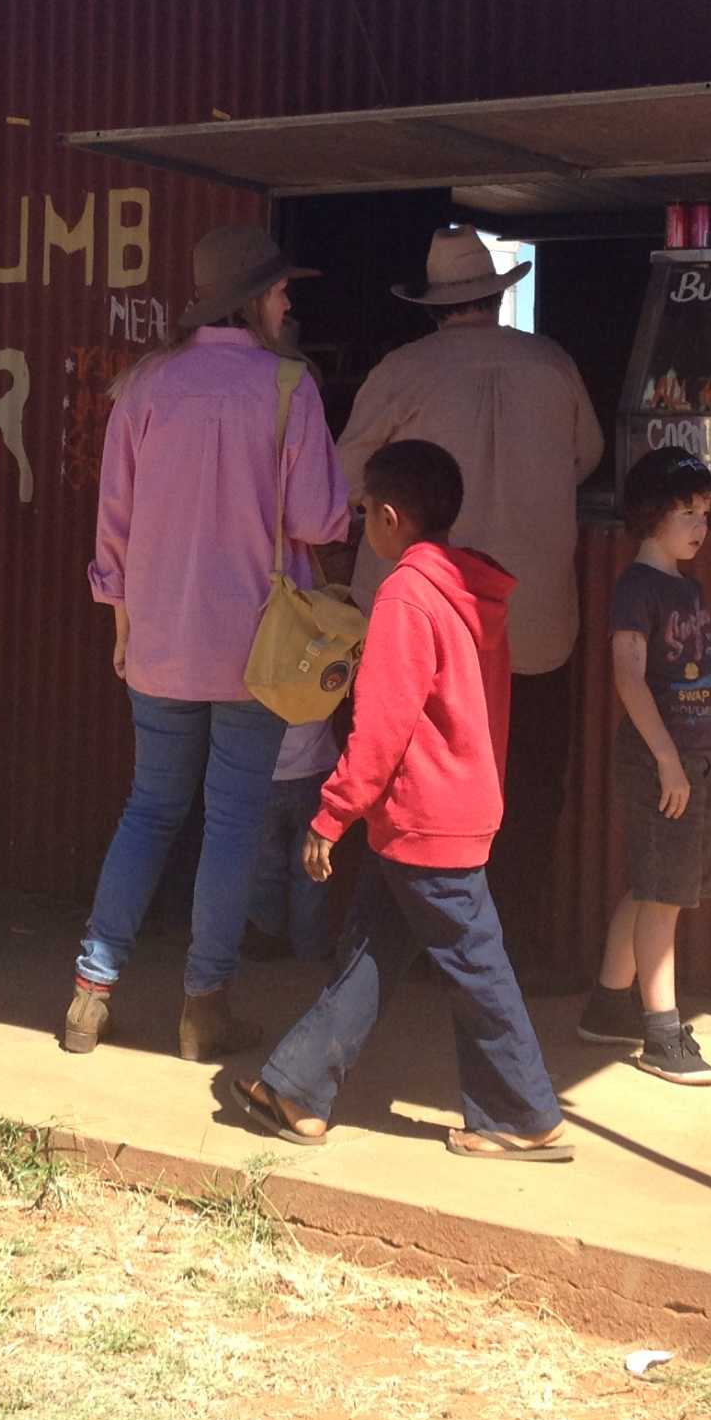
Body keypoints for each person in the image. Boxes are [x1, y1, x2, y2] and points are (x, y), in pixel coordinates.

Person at [232, 441, 571, 1163]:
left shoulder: (405, 596)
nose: (362, 527)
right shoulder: (468, 587)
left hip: (423, 813)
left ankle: (523, 1113)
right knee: (372, 952)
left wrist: (332, 813)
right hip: (452, 804)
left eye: (364, 514)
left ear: (388, 516)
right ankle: (298, 1090)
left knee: (476, 966)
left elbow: (382, 724)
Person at [71, 224, 349, 1061]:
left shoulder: (146, 384)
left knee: (148, 809)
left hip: (158, 638)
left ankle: (90, 993)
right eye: (282, 290)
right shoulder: (290, 386)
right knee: (232, 825)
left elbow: (113, 522)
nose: (289, 303)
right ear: (254, 299)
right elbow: (319, 520)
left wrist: (121, 623)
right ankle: (204, 1010)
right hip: (255, 651)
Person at [336, 226, 605, 986]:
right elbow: (587, 457)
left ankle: (416, 955)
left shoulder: (401, 371)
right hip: (533, 624)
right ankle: (512, 949)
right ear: (495, 297)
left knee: (414, 794)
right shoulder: (552, 363)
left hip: (424, 627)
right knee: (527, 788)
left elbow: (347, 476)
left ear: (431, 307)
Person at [577, 449, 711, 1087]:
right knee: (665, 898)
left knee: (653, 886)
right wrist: (668, 760)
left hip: (692, 760)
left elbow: (706, 678)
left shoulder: (689, 587)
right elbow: (629, 677)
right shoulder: (637, 588)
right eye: (687, 512)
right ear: (650, 515)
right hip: (657, 762)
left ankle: (608, 1004)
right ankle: (662, 1032)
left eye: (706, 512)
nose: (702, 525)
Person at [245, 715, 342, 967]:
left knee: (263, 864)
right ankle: (310, 944)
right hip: (315, 769)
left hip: (260, 772)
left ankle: (267, 933)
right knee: (312, 869)